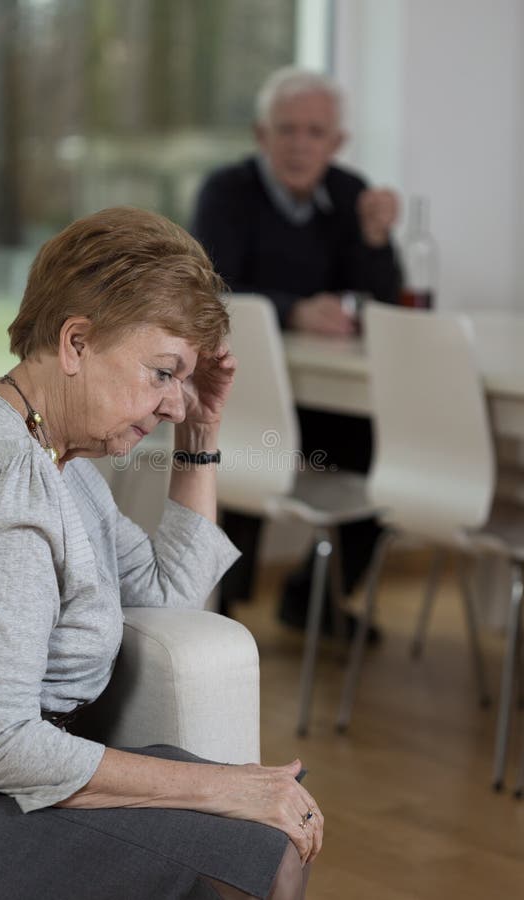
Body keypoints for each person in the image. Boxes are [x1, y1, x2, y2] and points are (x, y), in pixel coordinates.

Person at [0, 207, 323, 900]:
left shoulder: (56, 456)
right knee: (255, 855)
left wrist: (200, 433)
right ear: (76, 341)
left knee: (270, 825)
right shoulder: (9, 489)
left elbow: (168, 594)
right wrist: (223, 787)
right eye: (163, 372)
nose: (173, 402)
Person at [191, 67, 401, 627]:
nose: (301, 144)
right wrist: (294, 310)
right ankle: (218, 613)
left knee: (391, 450)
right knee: (244, 444)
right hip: (241, 394)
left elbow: (384, 301)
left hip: (325, 402)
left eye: (315, 132)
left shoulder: (352, 193)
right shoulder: (227, 193)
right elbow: (208, 287)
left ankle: (315, 597)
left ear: (337, 142)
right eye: (287, 130)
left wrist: (376, 241)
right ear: (262, 135)